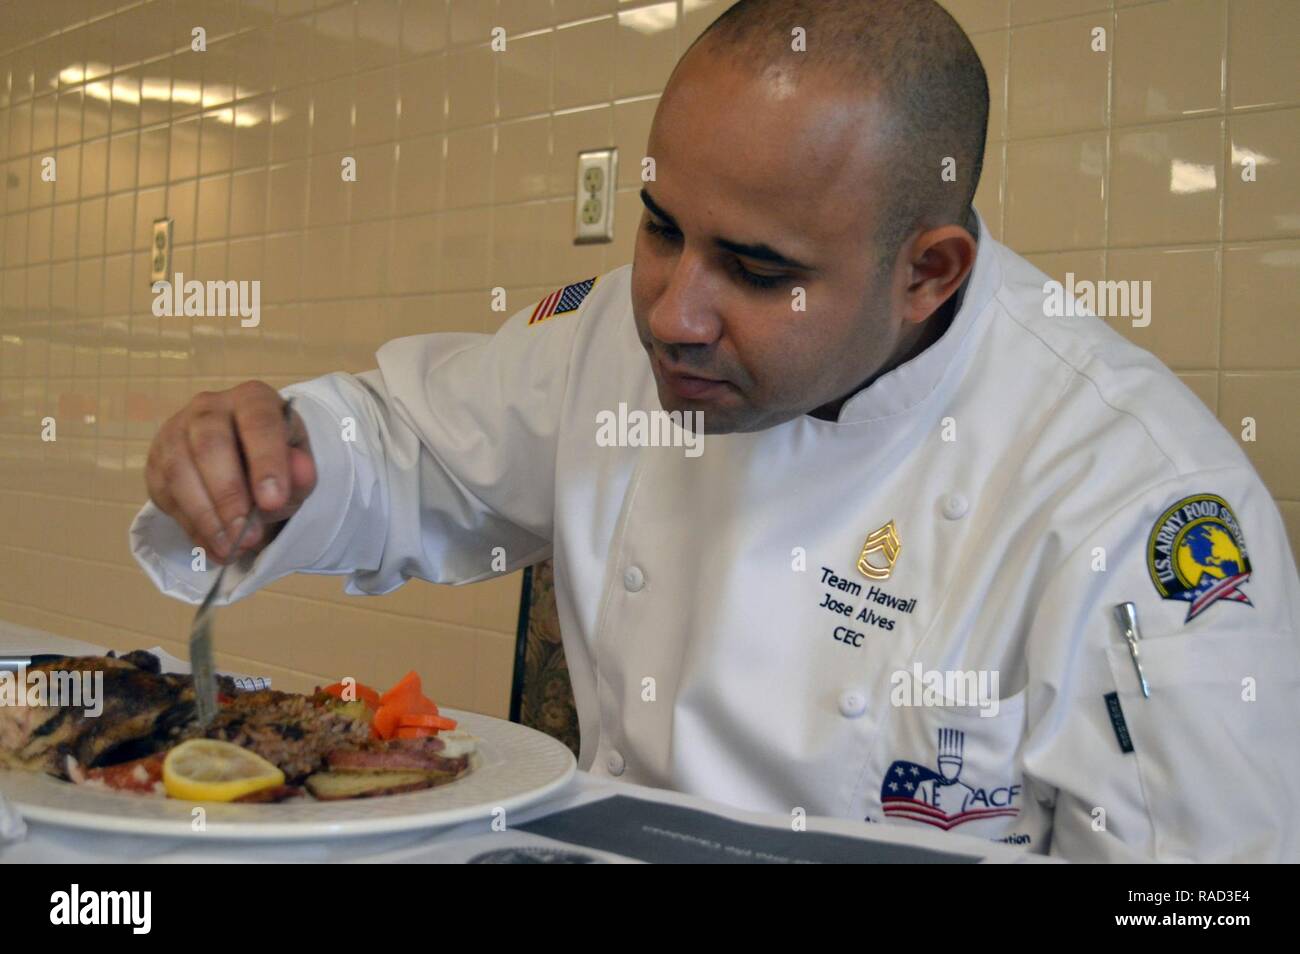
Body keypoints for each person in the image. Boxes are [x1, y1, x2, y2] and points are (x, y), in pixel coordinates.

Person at [131, 0, 1300, 861]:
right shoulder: (614, 346)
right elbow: (415, 451)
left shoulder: (1131, 500)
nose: (671, 312)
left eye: (754, 269)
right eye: (657, 227)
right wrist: (278, 457)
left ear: (926, 275)